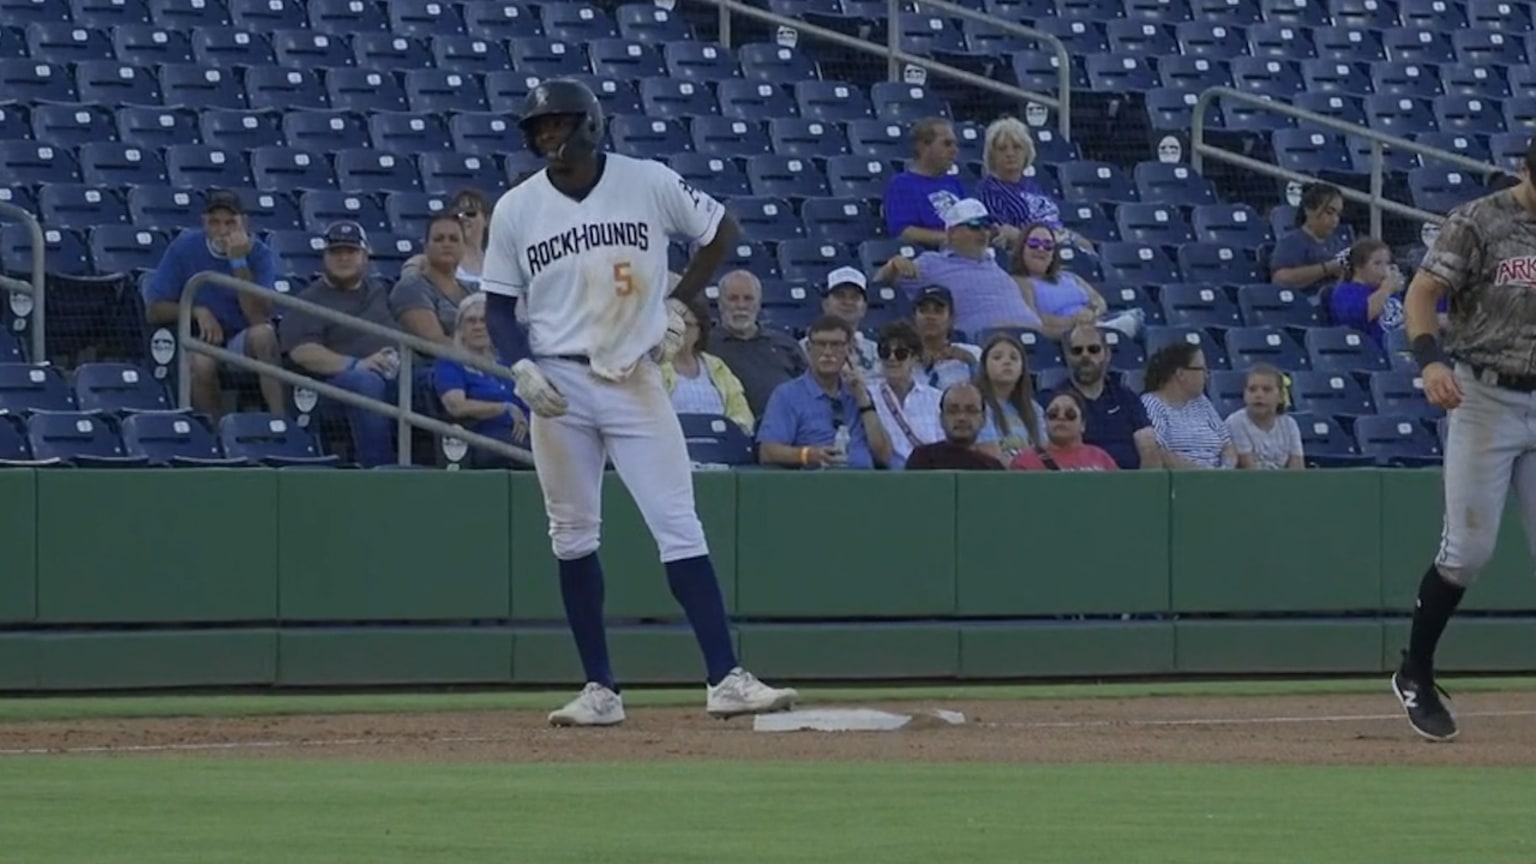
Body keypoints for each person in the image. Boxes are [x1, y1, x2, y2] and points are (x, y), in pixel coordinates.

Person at [479, 78, 798, 728]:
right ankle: (600, 689)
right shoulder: (517, 207)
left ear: (589, 124)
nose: (547, 137)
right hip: (558, 380)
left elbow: (721, 230)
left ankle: (724, 678)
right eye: (538, 129)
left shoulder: (645, 180)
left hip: (635, 379)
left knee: (678, 523)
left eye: (556, 124)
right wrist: (518, 367)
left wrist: (680, 300)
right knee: (571, 536)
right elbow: (496, 306)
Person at [1390, 139, 1536, 744]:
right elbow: (1423, 293)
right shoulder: (1480, 221)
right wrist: (1428, 362)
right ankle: (1415, 671)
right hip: (1486, 396)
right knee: (1468, 552)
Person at [141, 189, 287, 419]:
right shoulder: (184, 248)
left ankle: (283, 423)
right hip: (202, 339)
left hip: (241, 338)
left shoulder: (260, 254)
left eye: (230, 223)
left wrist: (238, 261)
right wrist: (196, 310)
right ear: (204, 222)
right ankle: (219, 437)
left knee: (265, 335)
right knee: (201, 363)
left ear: (244, 223)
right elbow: (154, 310)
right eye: (214, 223)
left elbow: (258, 318)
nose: (222, 231)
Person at [433, 293, 529, 467]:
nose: (478, 326)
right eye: (471, 321)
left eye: (484, 321)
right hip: (484, 438)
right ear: (460, 328)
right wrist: (504, 408)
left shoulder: (507, 361)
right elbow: (456, 406)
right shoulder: (451, 362)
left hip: (526, 434)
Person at [660, 294, 754, 434]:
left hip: (719, 446)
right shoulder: (654, 366)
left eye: (688, 325)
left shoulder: (717, 366)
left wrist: (733, 431)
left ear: (700, 331)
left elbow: (740, 410)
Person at [1268, 182, 1351, 291]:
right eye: (1329, 212)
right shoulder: (1291, 241)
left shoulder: (1338, 243)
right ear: (1309, 210)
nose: (1335, 220)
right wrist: (1327, 268)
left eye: (1338, 214)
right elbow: (1280, 279)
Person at [905, 382, 1005, 470]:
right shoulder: (922, 460)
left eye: (971, 410)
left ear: (983, 419)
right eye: (953, 411)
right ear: (941, 418)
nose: (962, 418)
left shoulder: (992, 468)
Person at [1008, 390, 1118, 471]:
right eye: (1053, 413)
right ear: (1044, 422)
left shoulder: (1101, 458)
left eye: (1070, 414)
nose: (1061, 417)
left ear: (1083, 425)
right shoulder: (1024, 461)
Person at [1224, 364, 1304, 470]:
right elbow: (1249, 468)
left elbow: (1297, 468)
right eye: (1252, 390)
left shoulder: (1290, 425)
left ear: (1280, 396)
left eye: (1267, 390)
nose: (1259, 395)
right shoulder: (1236, 422)